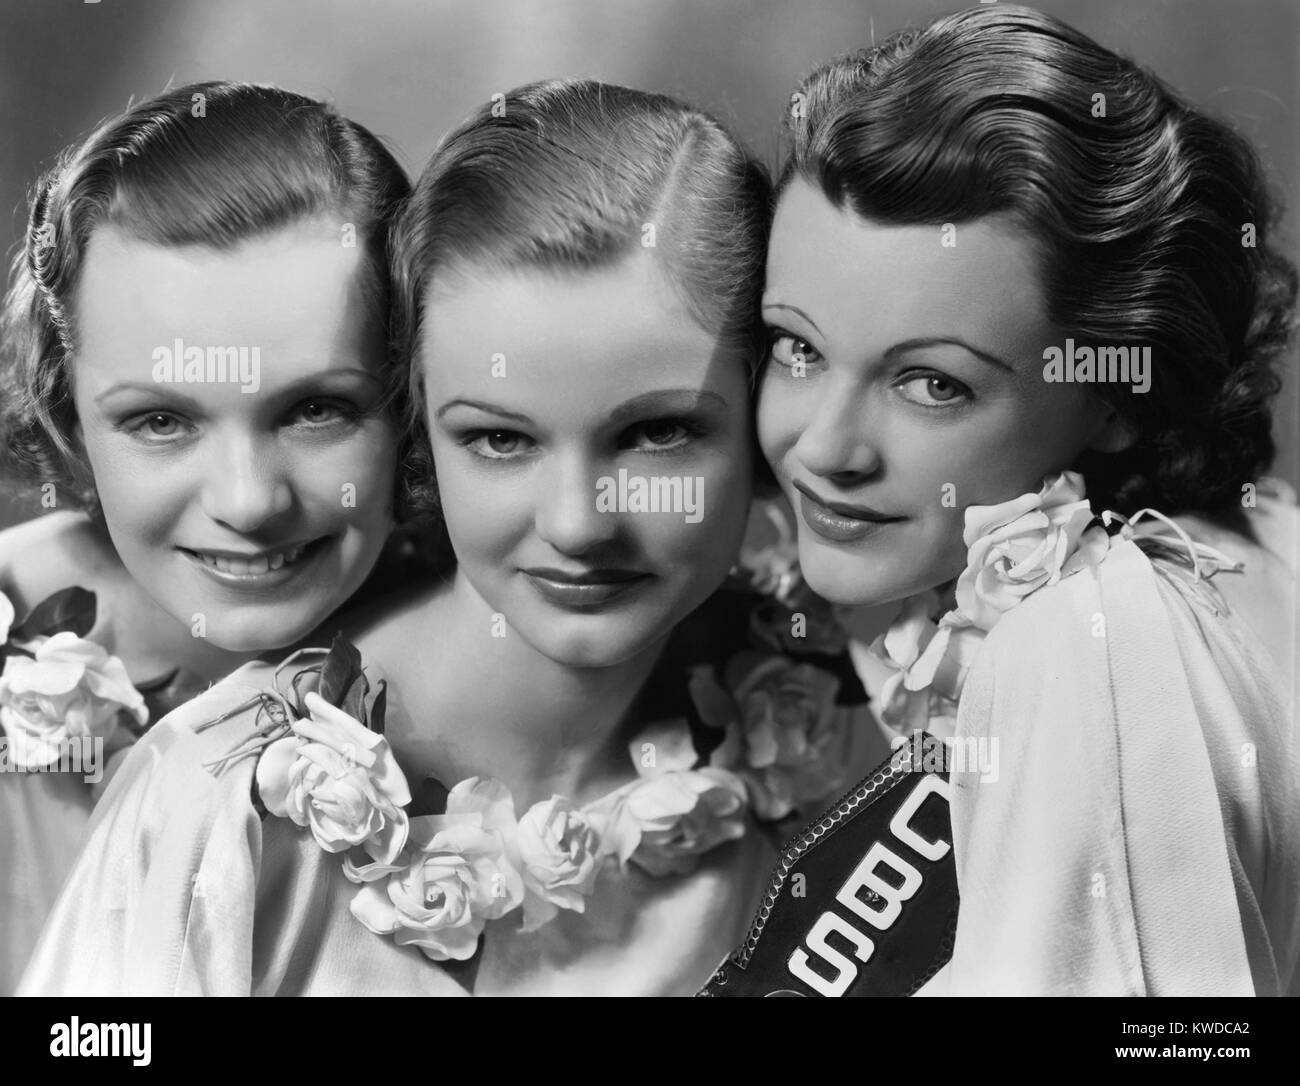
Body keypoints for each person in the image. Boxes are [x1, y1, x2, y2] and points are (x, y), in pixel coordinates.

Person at [20, 79, 872, 996]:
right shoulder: (214, 807)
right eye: (500, 438)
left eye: (659, 433)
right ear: (420, 431)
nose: (579, 523)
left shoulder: (826, 716)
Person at [746, 4, 1299, 995]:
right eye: (797, 346)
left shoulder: (1079, 647)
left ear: (1117, 393)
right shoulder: (1259, 539)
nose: (822, 448)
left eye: (931, 383)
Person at [0, 80, 411, 994]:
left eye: (316, 410)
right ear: (69, 414)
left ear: (414, 391)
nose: (250, 501)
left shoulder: (509, 636)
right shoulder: (10, 627)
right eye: (160, 422)